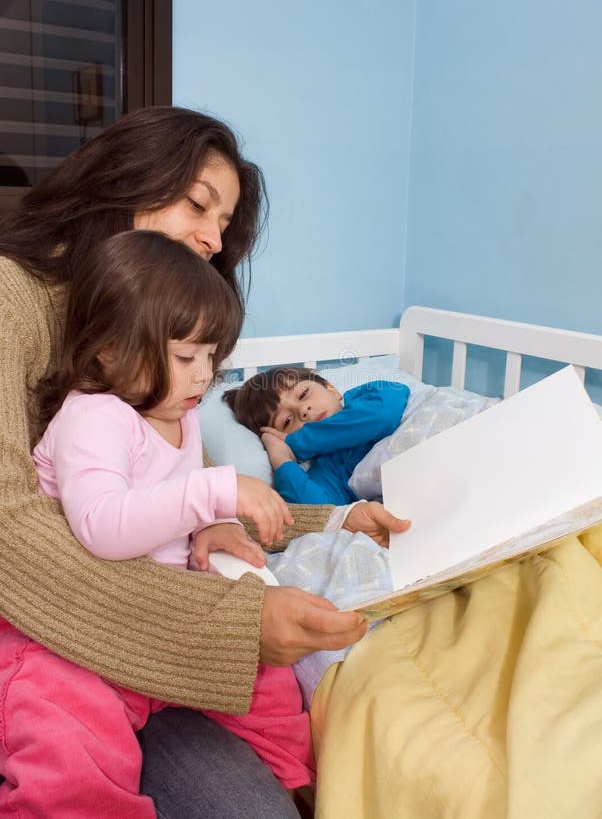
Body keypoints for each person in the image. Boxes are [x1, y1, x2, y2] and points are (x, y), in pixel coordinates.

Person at [0, 105, 406, 818]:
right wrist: (232, 622)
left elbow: (202, 497)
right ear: (127, 180)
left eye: (225, 228)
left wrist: (337, 519)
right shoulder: (16, 300)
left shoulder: (164, 368)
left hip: (143, 631)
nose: (213, 241)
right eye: (198, 205)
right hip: (52, 640)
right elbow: (12, 533)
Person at [30, 229, 314, 797]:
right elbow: (103, 527)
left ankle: (292, 786)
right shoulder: (95, 416)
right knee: (68, 738)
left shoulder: (178, 412)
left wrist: (213, 525)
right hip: (80, 628)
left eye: (212, 356)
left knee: (268, 681)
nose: (204, 375)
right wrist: (213, 494)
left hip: (160, 618)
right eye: (186, 356)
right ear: (108, 349)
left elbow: (172, 500)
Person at [224, 366, 410, 504]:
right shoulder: (329, 468)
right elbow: (319, 511)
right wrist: (281, 458)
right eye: (287, 421)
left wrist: (298, 442)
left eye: (304, 394)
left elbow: (383, 415)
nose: (303, 410)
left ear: (331, 389)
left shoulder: (369, 397)